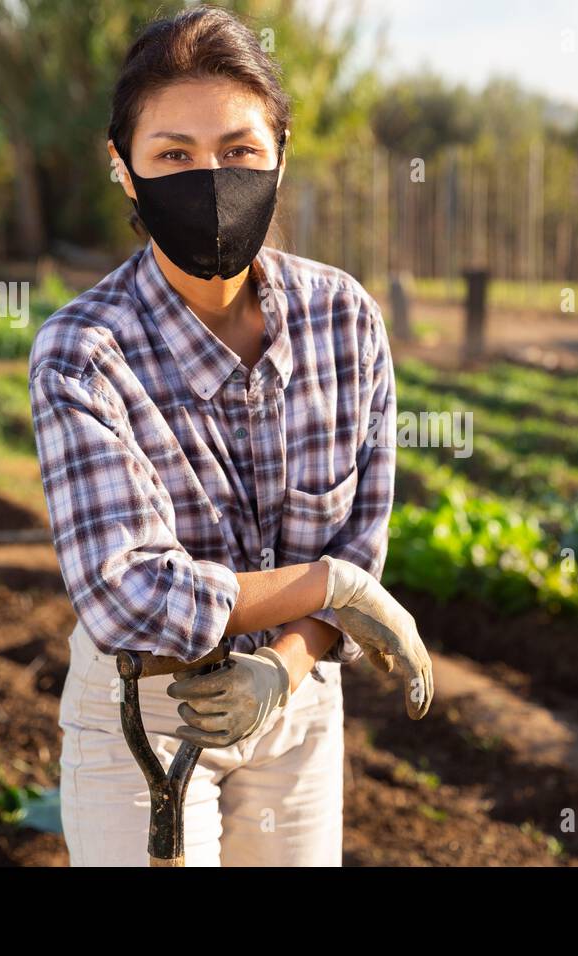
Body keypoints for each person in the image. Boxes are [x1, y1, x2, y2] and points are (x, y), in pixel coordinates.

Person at [28, 6, 433, 867]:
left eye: (240, 151)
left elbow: (361, 534)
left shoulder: (342, 319)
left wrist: (285, 666)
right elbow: (124, 593)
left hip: (297, 709)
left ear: (280, 155)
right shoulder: (83, 351)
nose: (211, 177)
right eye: (174, 154)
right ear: (124, 172)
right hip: (146, 717)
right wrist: (330, 585)